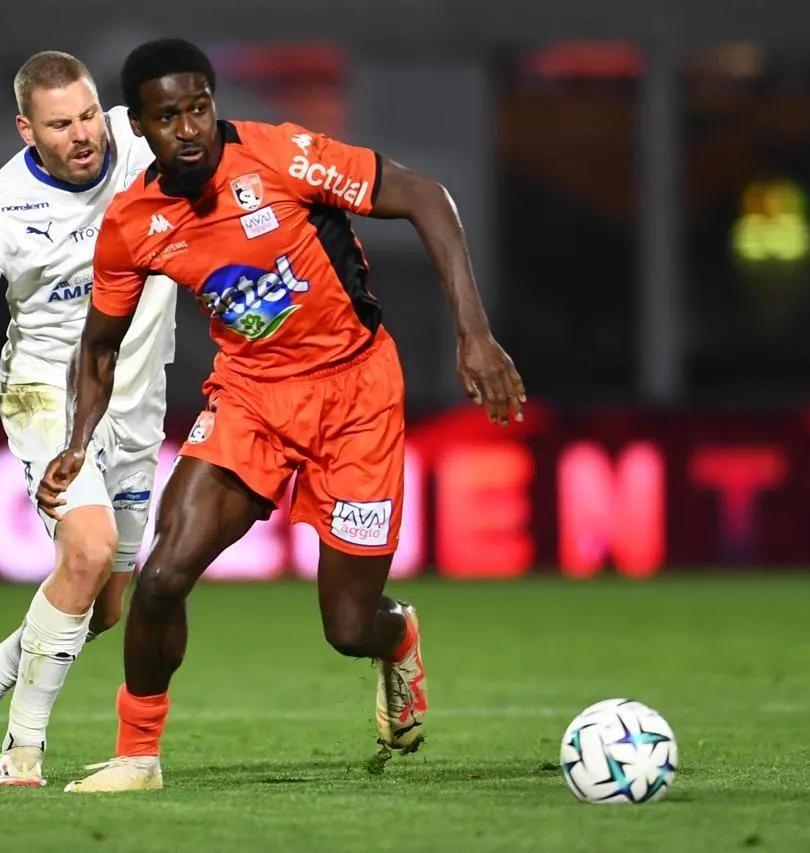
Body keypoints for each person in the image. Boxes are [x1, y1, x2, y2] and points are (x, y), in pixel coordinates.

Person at [35, 38, 525, 793]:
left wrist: (475, 333)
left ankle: (397, 639)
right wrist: (76, 441)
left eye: (200, 106)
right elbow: (98, 347)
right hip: (251, 399)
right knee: (162, 574)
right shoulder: (133, 223)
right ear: (139, 125)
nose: (191, 127)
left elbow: (425, 196)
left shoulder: (284, 156)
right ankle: (137, 755)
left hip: (357, 394)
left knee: (347, 628)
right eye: (170, 116)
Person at [0, 50, 177, 787]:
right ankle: (24, 749)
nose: (83, 135)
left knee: (104, 605)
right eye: (60, 125)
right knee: (85, 552)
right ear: (27, 131)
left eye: (87, 115)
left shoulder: (145, 141)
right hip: (45, 393)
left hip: (137, 401)